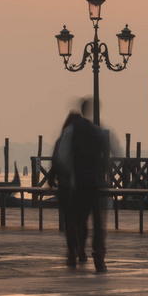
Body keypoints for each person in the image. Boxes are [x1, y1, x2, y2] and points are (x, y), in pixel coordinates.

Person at [56, 99, 110, 271]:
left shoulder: (70, 131)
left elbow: (63, 156)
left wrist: (71, 173)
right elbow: (107, 155)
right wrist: (103, 175)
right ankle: (98, 256)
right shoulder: (97, 131)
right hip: (96, 183)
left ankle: (73, 253)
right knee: (98, 221)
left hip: (78, 183)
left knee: (77, 220)